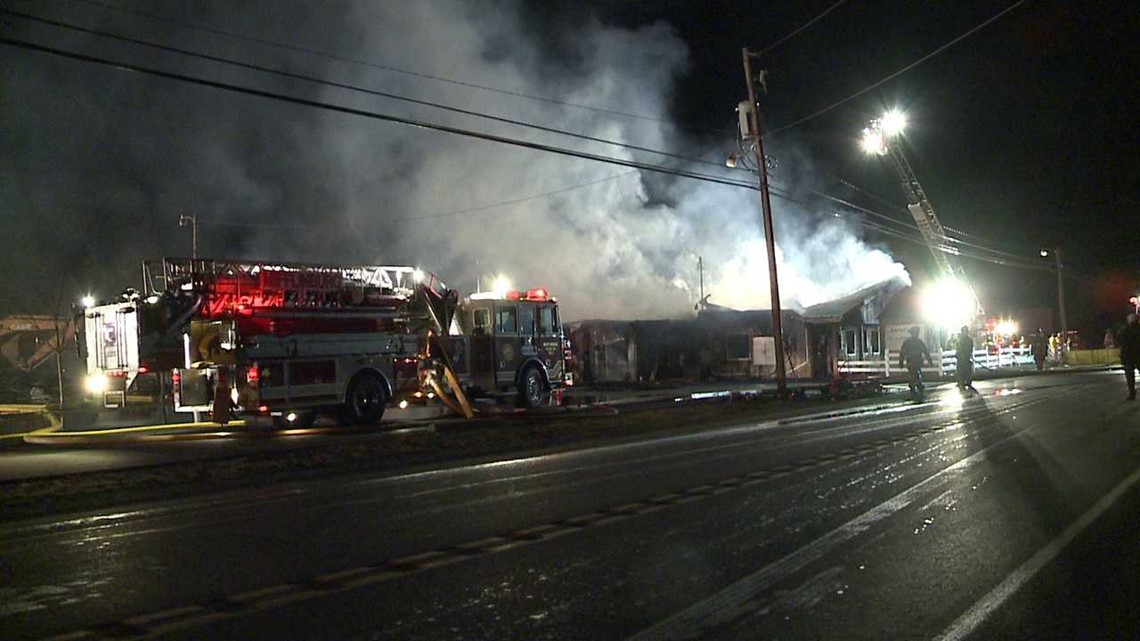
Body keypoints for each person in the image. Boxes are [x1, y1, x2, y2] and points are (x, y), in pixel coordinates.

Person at [899, 326, 933, 400]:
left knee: (915, 375)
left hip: (917, 361)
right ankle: (916, 389)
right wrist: (901, 361)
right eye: (914, 333)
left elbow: (925, 351)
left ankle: (916, 389)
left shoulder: (918, 342)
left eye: (916, 333)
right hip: (911, 361)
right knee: (914, 375)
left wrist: (929, 360)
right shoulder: (908, 342)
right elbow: (902, 352)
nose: (915, 334)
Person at [1118, 313, 1140, 401]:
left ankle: (1132, 393)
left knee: (1130, 376)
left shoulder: (1124, 329)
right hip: (1138, 354)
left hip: (1128, 355)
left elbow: (1119, 340)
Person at [955, 325, 974, 391]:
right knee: (963, 371)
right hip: (963, 358)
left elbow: (962, 348)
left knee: (964, 371)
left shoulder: (964, 340)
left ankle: (964, 381)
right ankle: (963, 381)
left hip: (964, 358)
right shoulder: (963, 340)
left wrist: (959, 353)